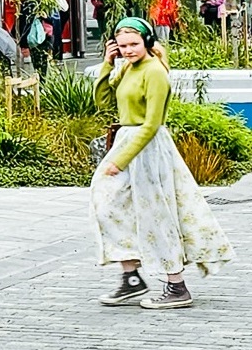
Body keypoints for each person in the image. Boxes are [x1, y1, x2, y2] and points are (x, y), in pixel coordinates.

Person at [90, 18, 234, 309]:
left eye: (134, 44)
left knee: (156, 214)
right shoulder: (128, 67)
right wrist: (108, 65)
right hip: (126, 140)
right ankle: (131, 277)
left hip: (148, 148)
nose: (128, 50)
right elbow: (103, 102)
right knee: (109, 207)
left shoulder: (154, 72)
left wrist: (121, 159)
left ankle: (177, 285)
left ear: (147, 42)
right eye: (123, 45)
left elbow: (153, 124)